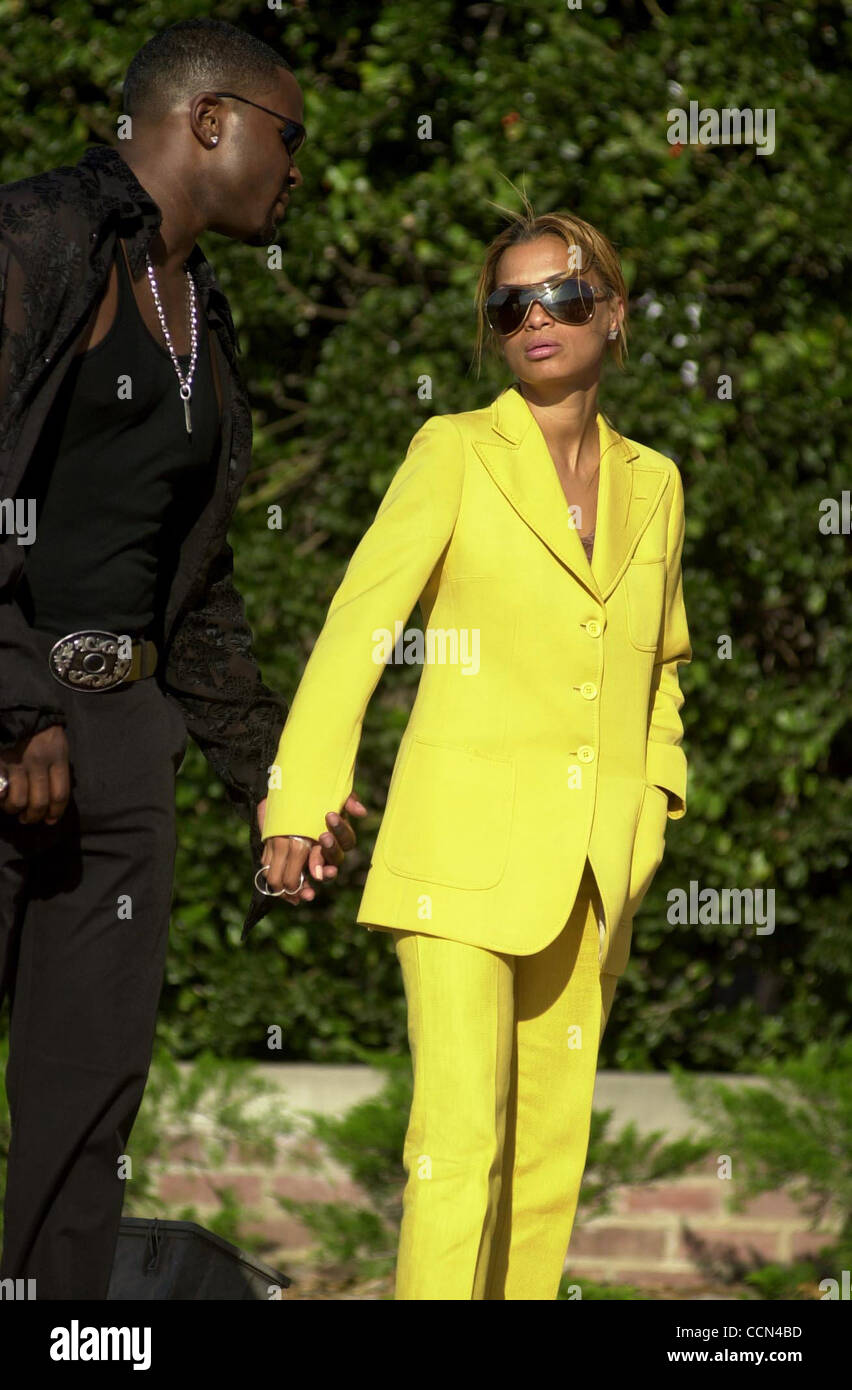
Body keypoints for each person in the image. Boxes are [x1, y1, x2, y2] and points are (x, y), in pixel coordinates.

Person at [256, 208, 692, 1299]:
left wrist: (655, 804)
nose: (536, 317)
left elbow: (663, 669)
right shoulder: (452, 450)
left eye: (564, 295)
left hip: (594, 873)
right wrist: (298, 804)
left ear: (615, 313)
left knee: (548, 1171)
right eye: (511, 303)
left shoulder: (661, 482)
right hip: (453, 865)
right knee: (458, 1151)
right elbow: (359, 625)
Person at [0, 19, 364, 1300]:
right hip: (11, 712)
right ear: (209, 120)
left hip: (120, 739)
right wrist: (13, 706)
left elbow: (197, 588)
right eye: (290, 134)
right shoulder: (37, 238)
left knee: (84, 1108)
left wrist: (269, 771)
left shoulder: (200, 315)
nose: (299, 166)